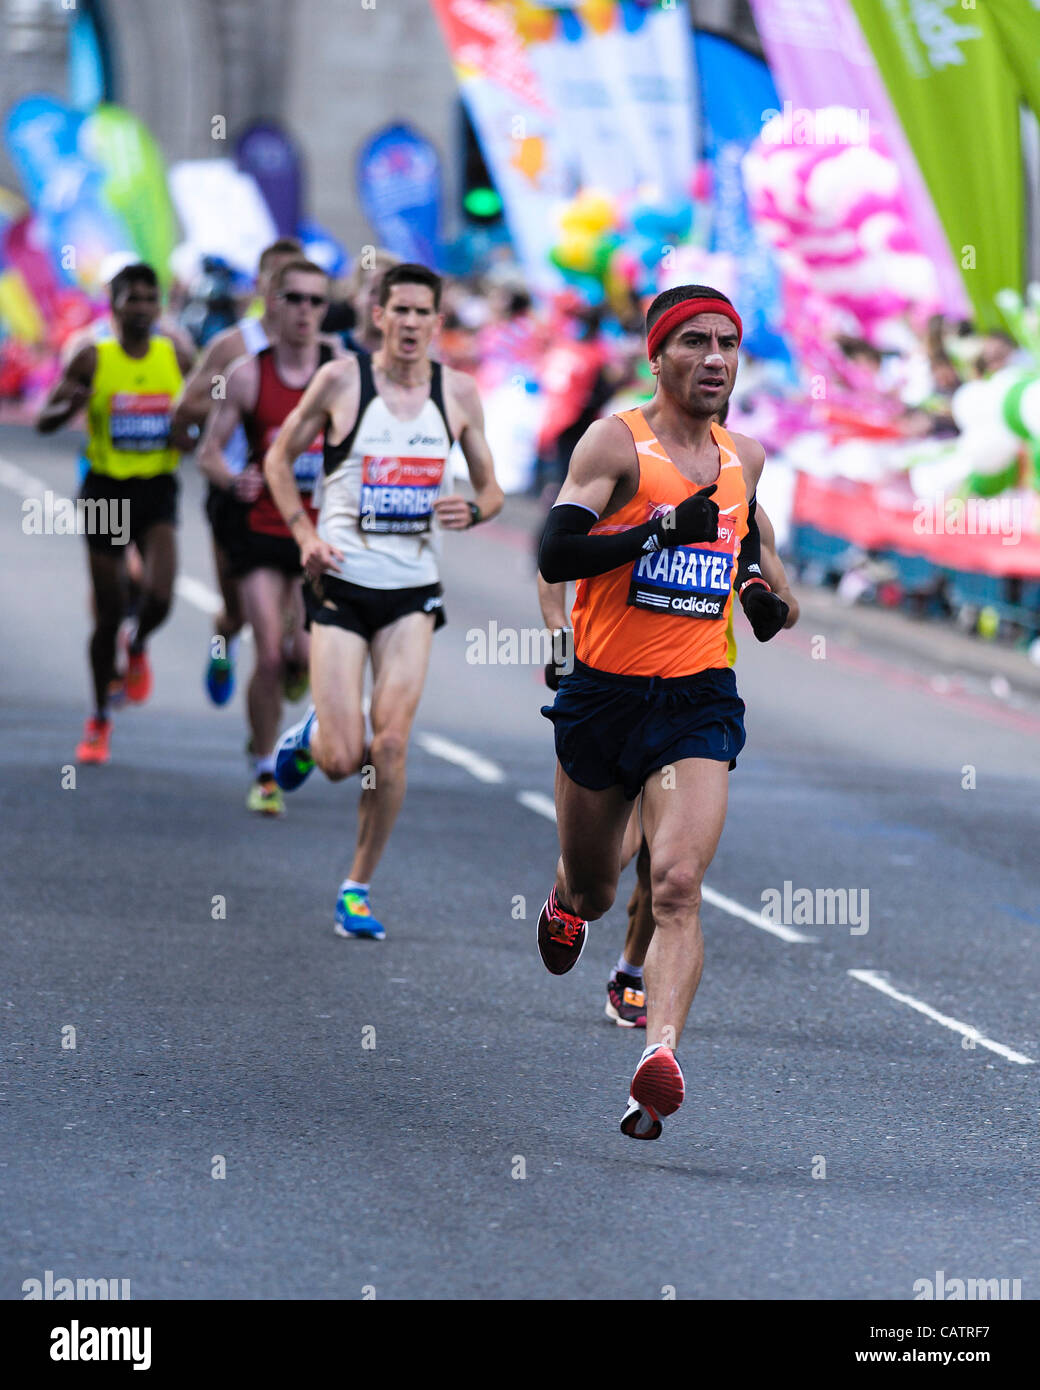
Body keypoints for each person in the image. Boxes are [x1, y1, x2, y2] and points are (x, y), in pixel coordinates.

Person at [536, 284, 789, 1140]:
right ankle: (566, 898)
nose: (715, 358)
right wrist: (654, 533)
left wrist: (761, 595)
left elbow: (753, 550)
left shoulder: (743, 458)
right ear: (658, 355)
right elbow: (556, 549)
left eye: (728, 344)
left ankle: (660, 1058)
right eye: (695, 343)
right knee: (601, 886)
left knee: (677, 884)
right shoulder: (616, 441)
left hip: (695, 701)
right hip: (603, 694)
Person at [266, 262, 503, 937]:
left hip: (412, 595)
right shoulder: (342, 381)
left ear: (436, 320)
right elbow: (281, 458)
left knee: (390, 744)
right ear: (378, 315)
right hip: (341, 583)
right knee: (346, 760)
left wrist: (476, 510)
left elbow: (491, 489)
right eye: (397, 310)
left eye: (421, 313)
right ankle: (314, 734)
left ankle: (357, 886)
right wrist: (305, 533)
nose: (408, 324)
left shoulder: (456, 394)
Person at [539, 503, 799, 1029]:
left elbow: (786, 600)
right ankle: (570, 895)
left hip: (693, 702)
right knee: (620, 855)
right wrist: (559, 638)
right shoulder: (632, 469)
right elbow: (555, 562)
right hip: (614, 693)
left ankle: (629, 974)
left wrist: (773, 608)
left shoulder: (743, 504)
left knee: (671, 871)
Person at [197, 258, 343, 814]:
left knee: (305, 656)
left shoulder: (341, 371)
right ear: (273, 305)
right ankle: (263, 770)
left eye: (316, 301)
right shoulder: (247, 373)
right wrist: (235, 478)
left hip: (319, 535)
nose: (306, 311)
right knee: (270, 654)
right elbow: (209, 450)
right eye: (295, 299)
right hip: (261, 528)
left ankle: (283, 729)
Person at [36, 262, 195, 764]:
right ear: (114, 303)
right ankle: (99, 714)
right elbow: (43, 421)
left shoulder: (177, 356)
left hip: (156, 489)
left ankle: (140, 641)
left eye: (152, 299)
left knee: (161, 595)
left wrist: (184, 437)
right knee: (107, 612)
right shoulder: (91, 357)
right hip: (106, 491)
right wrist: (69, 408)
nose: (143, 308)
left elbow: (200, 424)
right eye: (134, 299)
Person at [171, 238, 305, 705]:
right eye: (281, 285)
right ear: (263, 287)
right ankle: (223, 641)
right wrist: (238, 397)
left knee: (291, 609)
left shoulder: (320, 352)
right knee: (236, 612)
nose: (294, 300)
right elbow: (184, 407)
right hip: (237, 492)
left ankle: (290, 659)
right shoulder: (233, 345)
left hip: (296, 494)